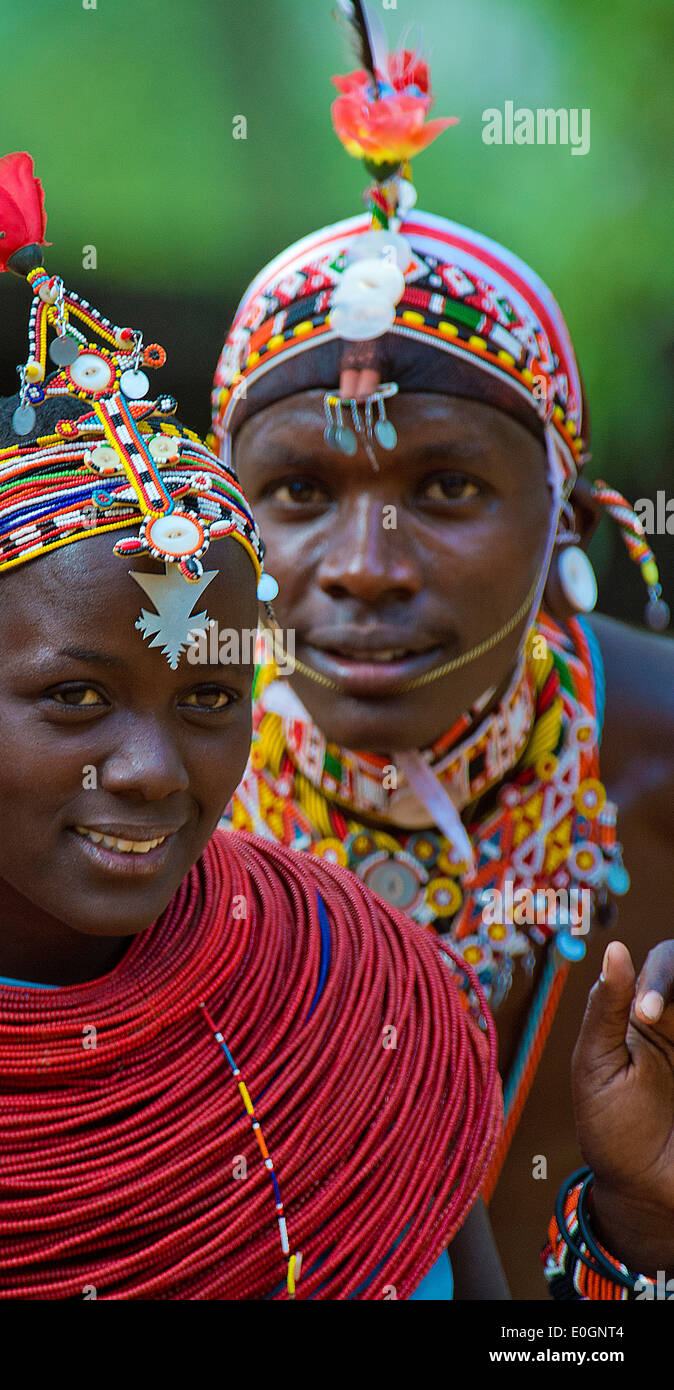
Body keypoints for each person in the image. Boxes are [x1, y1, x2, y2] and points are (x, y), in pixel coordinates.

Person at [0, 151, 507, 1301]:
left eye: (206, 700)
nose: (147, 771)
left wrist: (630, 1238)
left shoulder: (359, 998)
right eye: (75, 697)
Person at [211, 4, 674, 1296]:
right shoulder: (127, 795)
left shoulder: (660, 770)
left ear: (568, 523)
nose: (362, 563)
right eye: (297, 493)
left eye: (448, 490)